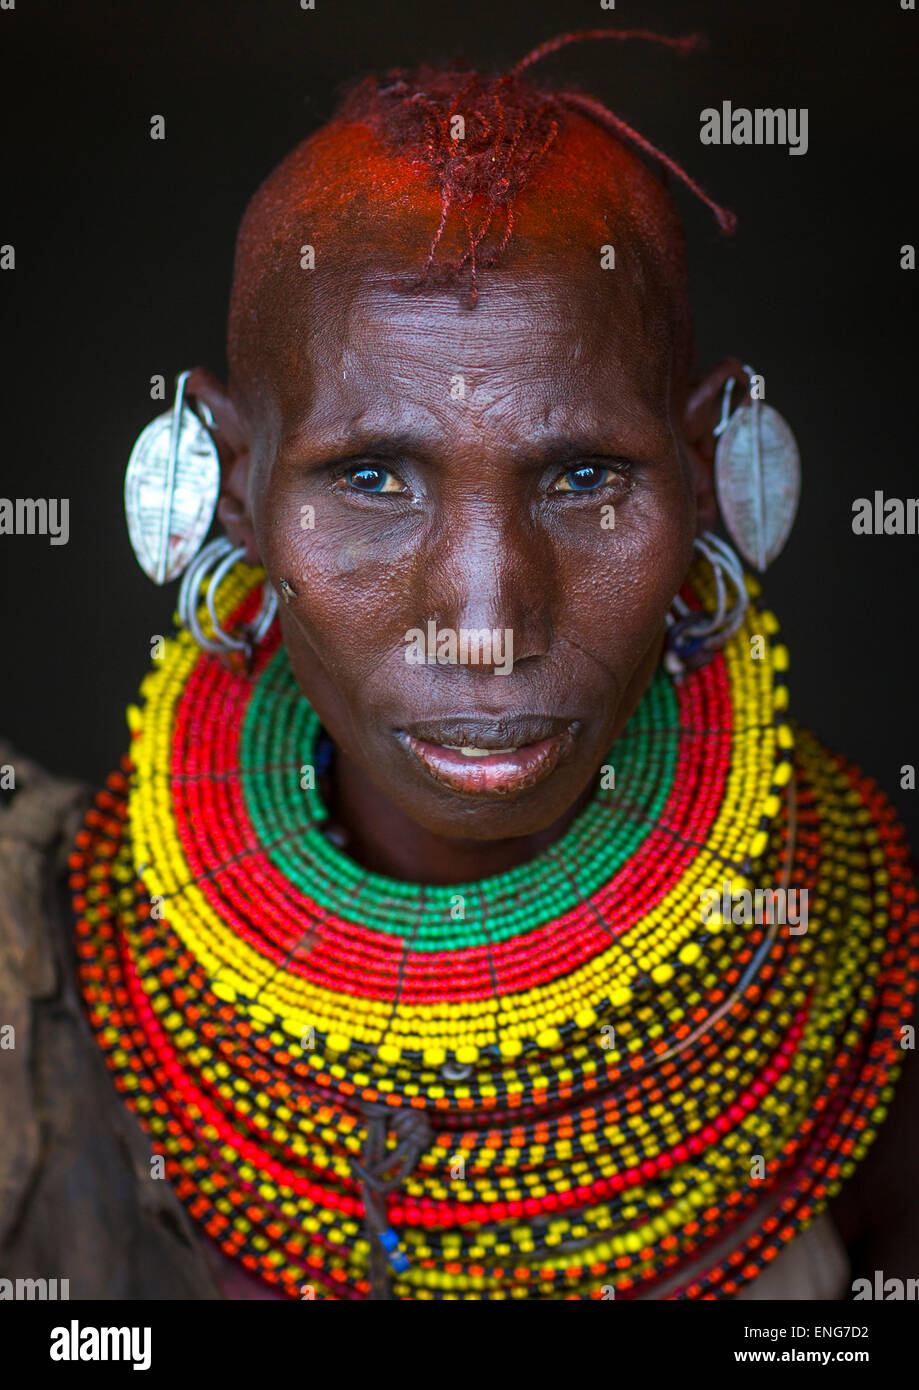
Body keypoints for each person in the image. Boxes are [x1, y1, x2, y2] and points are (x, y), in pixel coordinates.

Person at [2, 28, 917, 1301]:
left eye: (584, 475)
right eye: (370, 477)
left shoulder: (871, 967)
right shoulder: (37, 965)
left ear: (704, 472)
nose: (487, 619)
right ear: (230, 487)